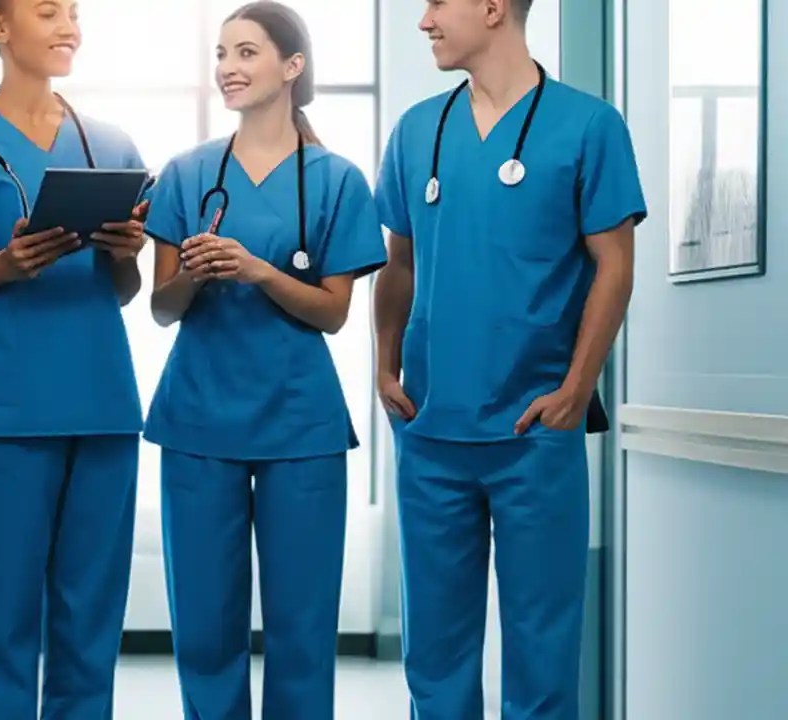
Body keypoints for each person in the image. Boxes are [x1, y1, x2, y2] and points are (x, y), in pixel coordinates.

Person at [372, 0, 646, 717]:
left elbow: (613, 265)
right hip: (432, 432)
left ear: (493, 7)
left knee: (543, 649)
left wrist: (576, 388)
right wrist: (383, 364)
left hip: (534, 433)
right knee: (435, 654)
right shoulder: (416, 131)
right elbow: (397, 264)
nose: (424, 19)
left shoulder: (589, 126)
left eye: (437, 3)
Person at [0, 0, 149, 716]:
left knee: (88, 632)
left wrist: (126, 255)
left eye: (74, 12)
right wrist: (6, 266)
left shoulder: (110, 145)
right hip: (1, 416)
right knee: (3, 627)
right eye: (49, 11)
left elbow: (124, 291)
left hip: (102, 413)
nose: (70, 25)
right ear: (0, 27)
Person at [143, 3, 387, 717]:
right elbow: (162, 307)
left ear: (292, 67)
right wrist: (196, 272)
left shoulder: (338, 180)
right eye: (221, 53)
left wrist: (259, 271)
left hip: (299, 426)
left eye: (246, 52)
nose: (227, 68)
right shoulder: (187, 175)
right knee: (206, 629)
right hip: (198, 425)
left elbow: (334, 312)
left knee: (302, 630)